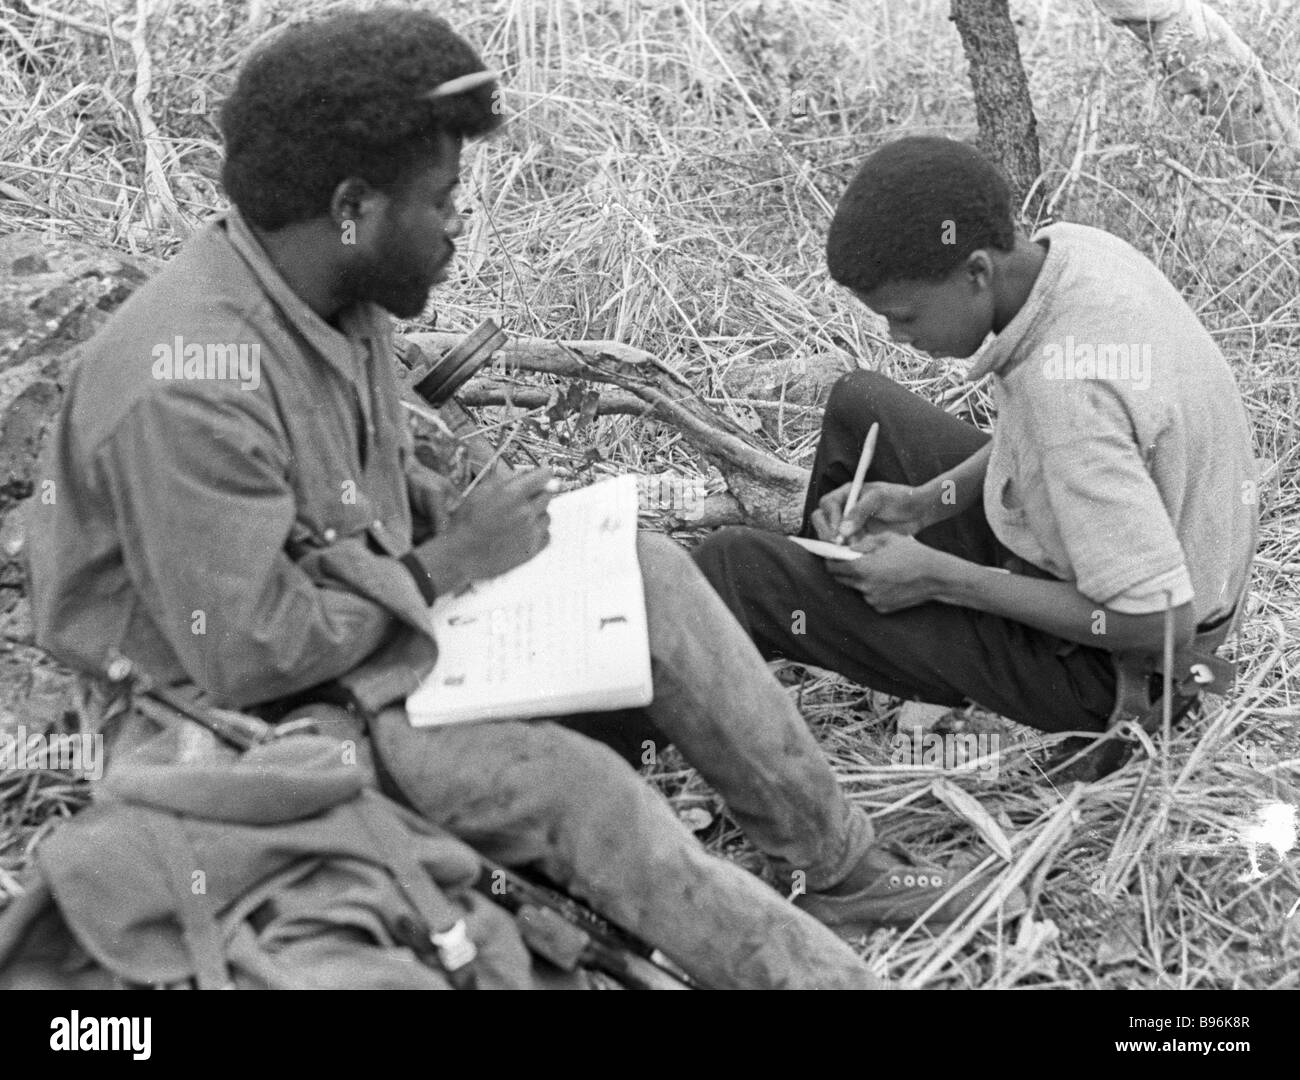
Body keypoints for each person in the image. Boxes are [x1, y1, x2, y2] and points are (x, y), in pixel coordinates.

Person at [25, 12, 1014, 991]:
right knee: (575, 790)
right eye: (443, 198)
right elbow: (243, 657)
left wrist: (460, 527)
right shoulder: (185, 385)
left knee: (650, 573)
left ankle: (836, 869)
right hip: (245, 725)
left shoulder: (333, 303)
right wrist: (446, 565)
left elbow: (365, 492)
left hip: (370, 641)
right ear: (352, 210)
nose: (459, 222)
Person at [694, 136, 1258, 761]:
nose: (897, 335)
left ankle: (676, 744)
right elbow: (1052, 440)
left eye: (905, 316)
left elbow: (1163, 623)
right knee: (860, 404)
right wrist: (922, 505)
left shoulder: (1065, 397)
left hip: (1128, 665)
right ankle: (828, 624)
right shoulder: (1073, 254)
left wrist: (942, 579)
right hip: (1127, 558)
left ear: (977, 272)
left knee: (734, 567)